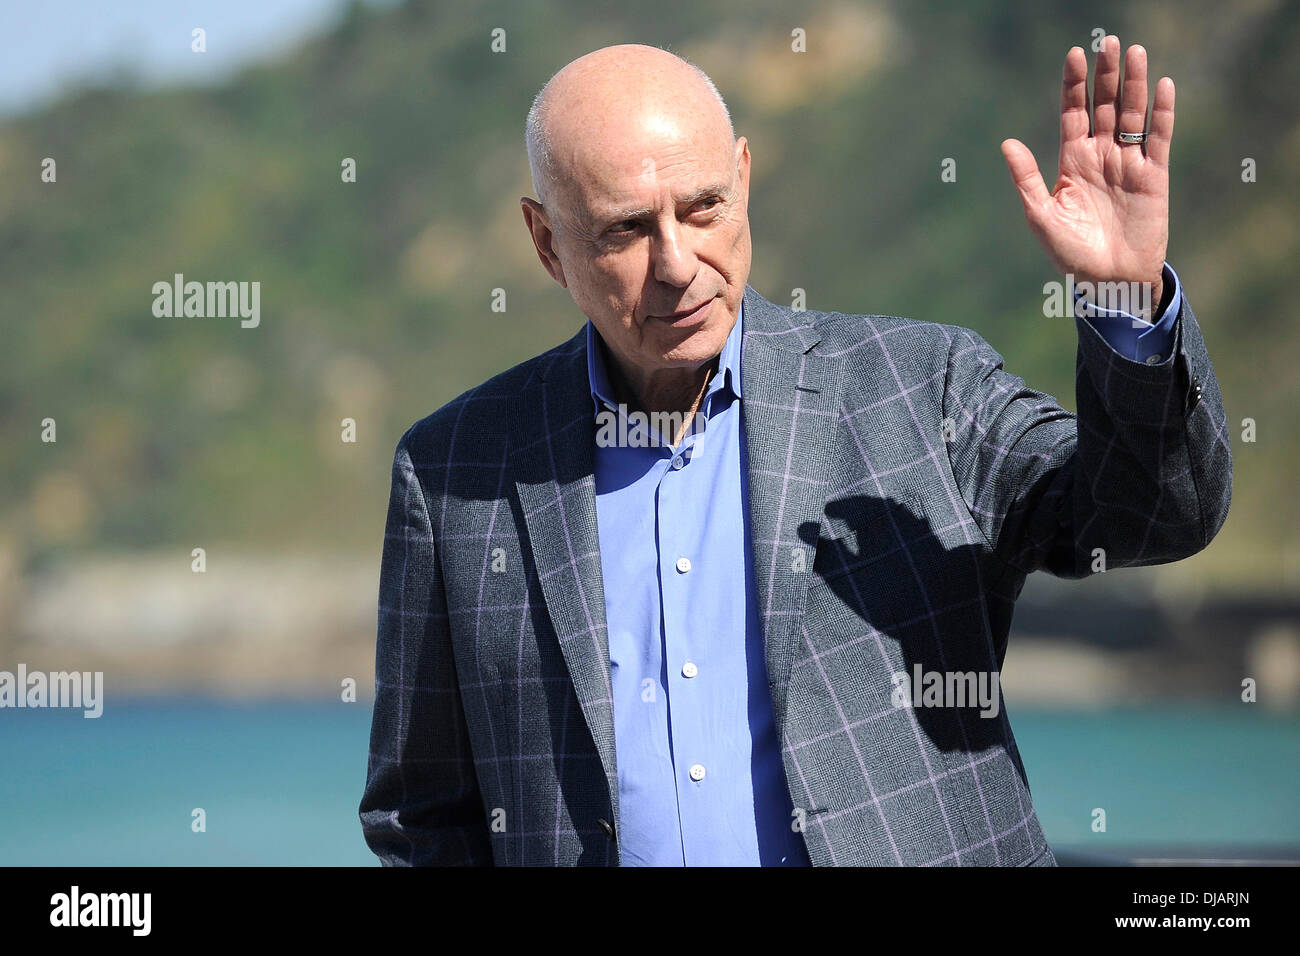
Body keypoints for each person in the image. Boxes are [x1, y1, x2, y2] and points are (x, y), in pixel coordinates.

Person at [359, 40, 1230, 865]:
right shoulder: (453, 473)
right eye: (626, 230)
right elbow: (424, 815)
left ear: (743, 178)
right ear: (547, 242)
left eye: (703, 208)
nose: (679, 262)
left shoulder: (920, 385)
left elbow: (1152, 515)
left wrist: (1124, 298)